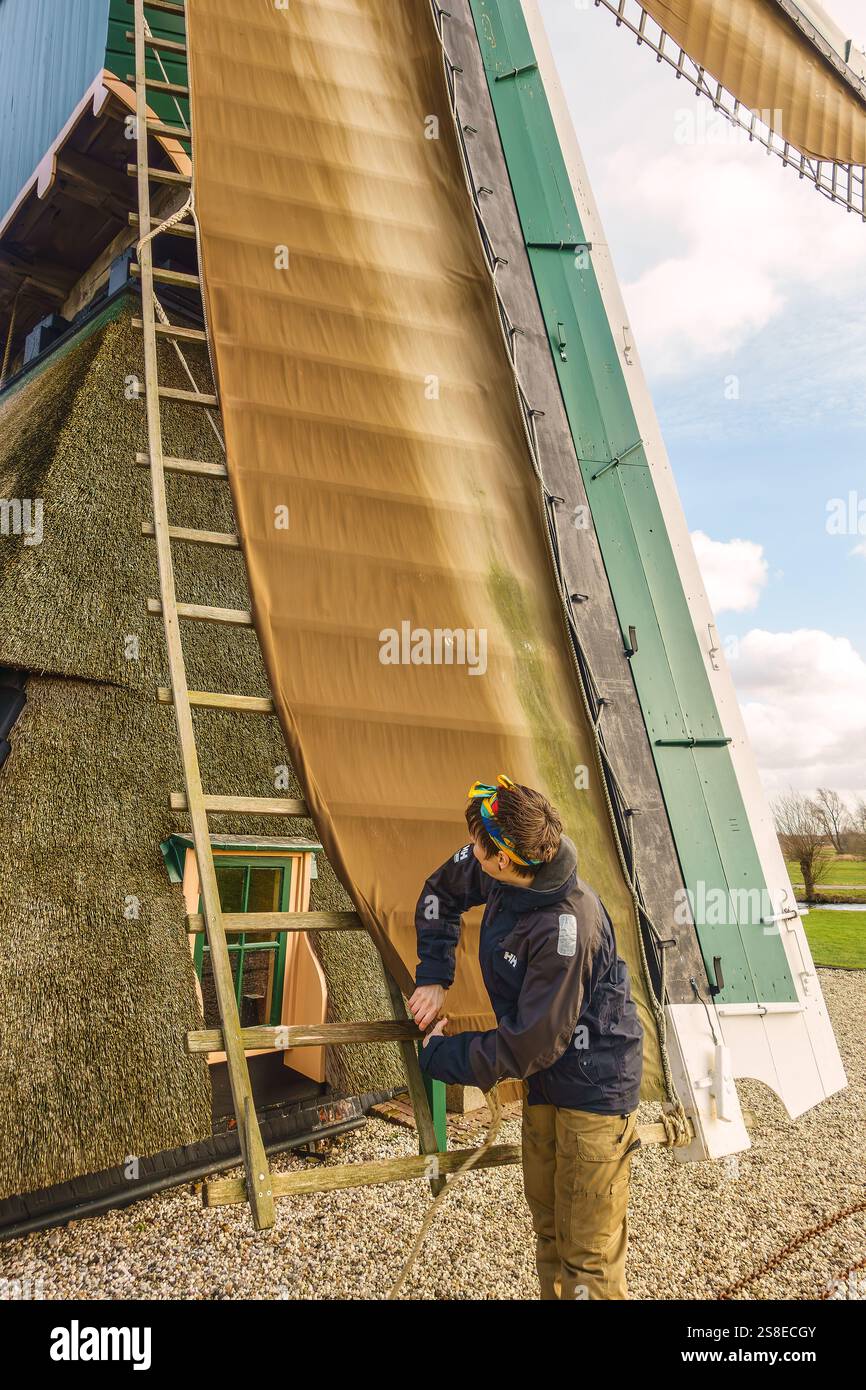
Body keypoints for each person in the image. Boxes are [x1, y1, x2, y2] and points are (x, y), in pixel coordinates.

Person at [409, 774, 644, 1300]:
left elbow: (530, 1044)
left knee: (587, 1256)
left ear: (504, 862)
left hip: (594, 1088)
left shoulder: (565, 928)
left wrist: (442, 1056)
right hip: (546, 1080)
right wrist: (434, 972)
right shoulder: (503, 865)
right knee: (548, 1233)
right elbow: (439, 893)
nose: (469, 854)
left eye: (477, 848)